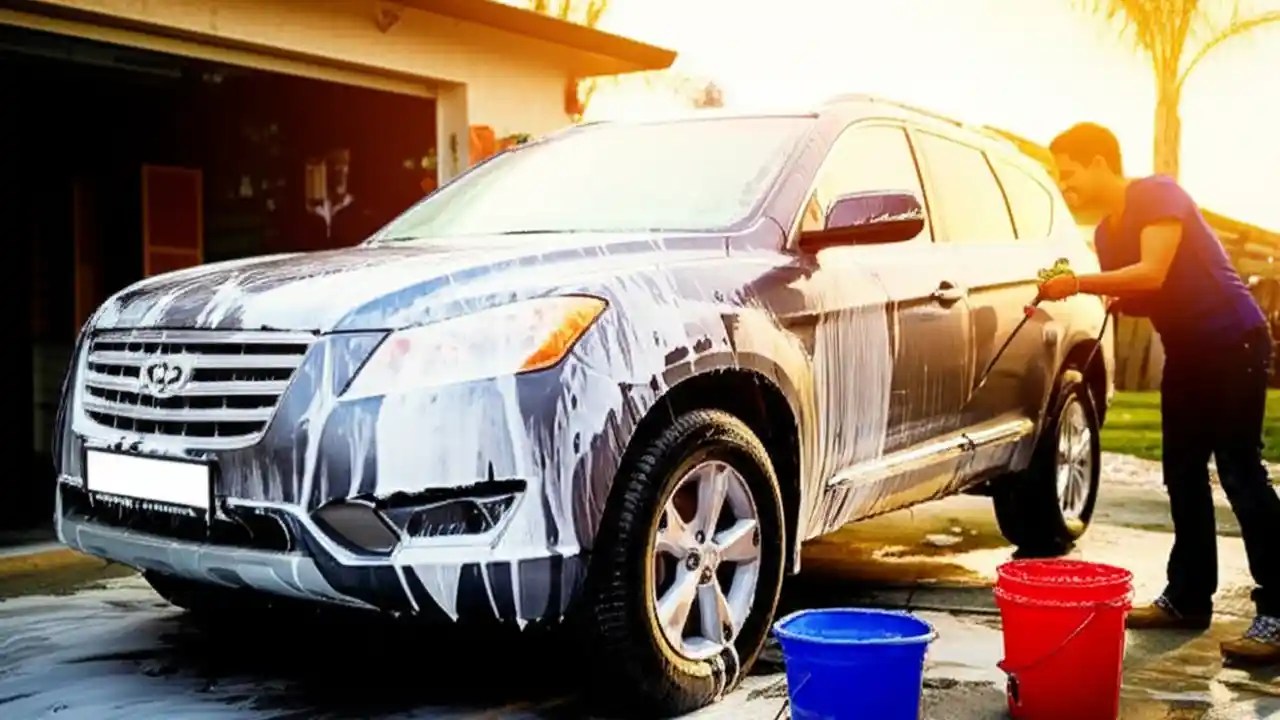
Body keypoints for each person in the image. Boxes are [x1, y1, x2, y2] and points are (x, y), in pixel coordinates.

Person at [1039, 122, 1280, 666]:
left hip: (1232, 341)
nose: (1066, 184)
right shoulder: (1105, 233)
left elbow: (1151, 273)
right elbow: (1146, 293)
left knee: (1240, 472)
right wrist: (1112, 297)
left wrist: (1077, 284)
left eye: (1070, 173)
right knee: (1182, 472)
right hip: (1189, 352)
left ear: (1101, 162)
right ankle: (1189, 597)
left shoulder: (1156, 193)